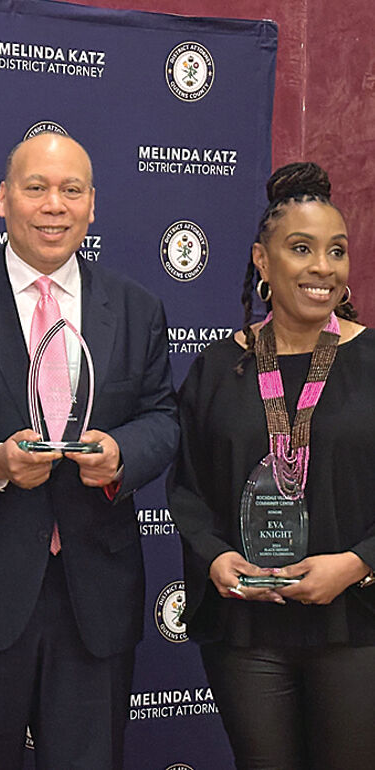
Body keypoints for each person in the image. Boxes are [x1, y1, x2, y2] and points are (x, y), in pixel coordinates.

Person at [0, 133, 179, 769]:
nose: (53, 205)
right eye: (36, 188)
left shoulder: (137, 308)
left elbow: (163, 417)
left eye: (71, 190)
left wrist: (121, 455)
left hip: (97, 593)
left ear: (92, 206)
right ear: (3, 201)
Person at [167, 162, 375, 769]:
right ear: (262, 260)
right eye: (301, 249)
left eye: (336, 251)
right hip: (248, 632)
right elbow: (187, 489)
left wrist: (356, 564)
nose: (322, 268)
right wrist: (214, 558)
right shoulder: (216, 368)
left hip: (357, 625)